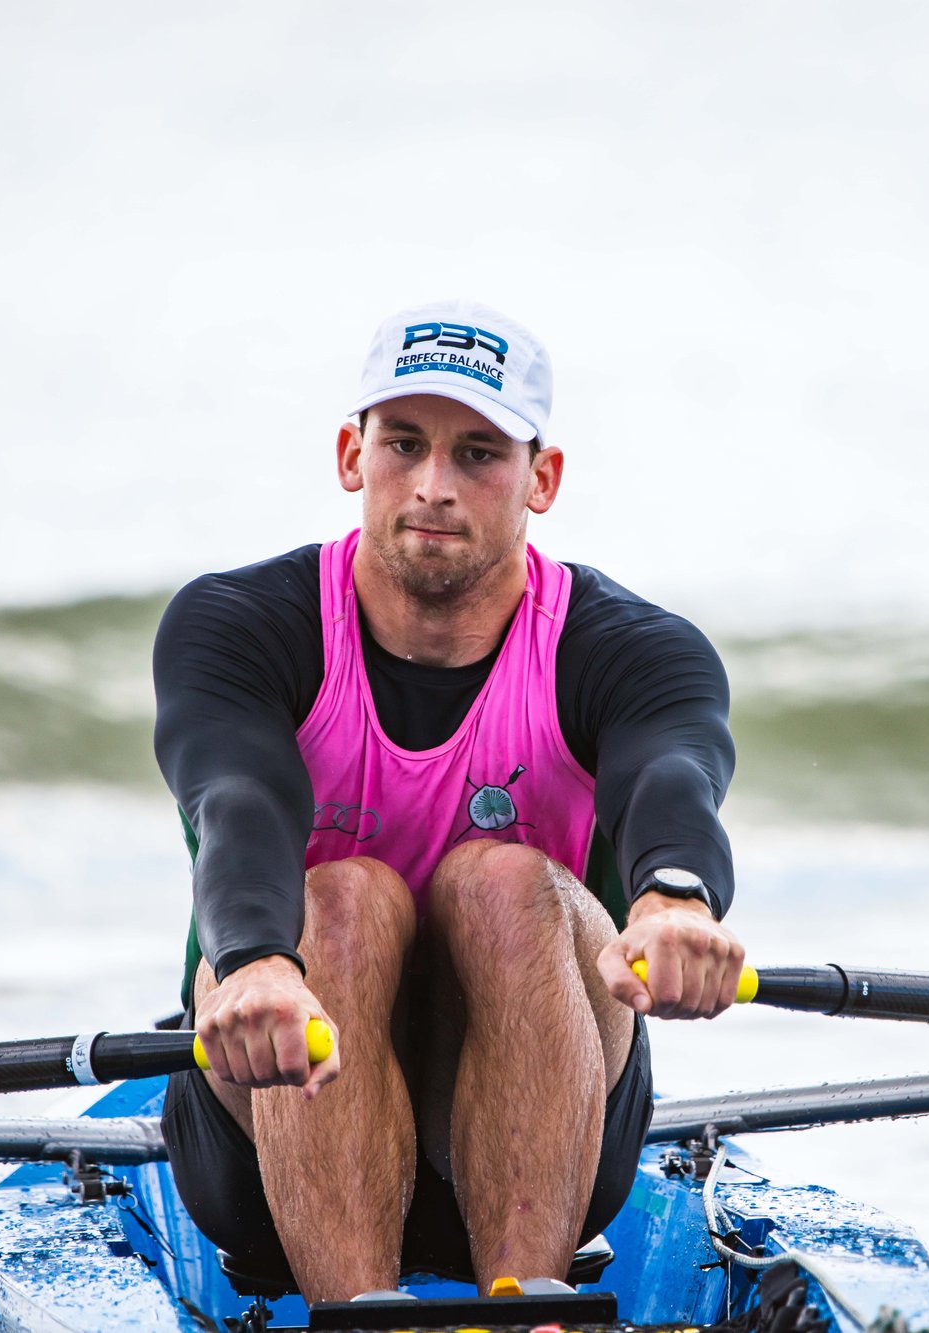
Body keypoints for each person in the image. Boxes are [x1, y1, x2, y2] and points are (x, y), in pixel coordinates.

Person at [151, 299, 743, 1302]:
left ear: (539, 479)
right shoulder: (240, 625)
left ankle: (527, 1307)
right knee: (338, 898)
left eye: (477, 454)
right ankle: (355, 1316)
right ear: (351, 455)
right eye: (404, 444)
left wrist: (675, 901)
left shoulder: (631, 648)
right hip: (272, 1137)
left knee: (503, 881)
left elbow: (670, 779)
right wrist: (253, 961)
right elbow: (238, 799)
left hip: (548, 1140)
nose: (433, 485)